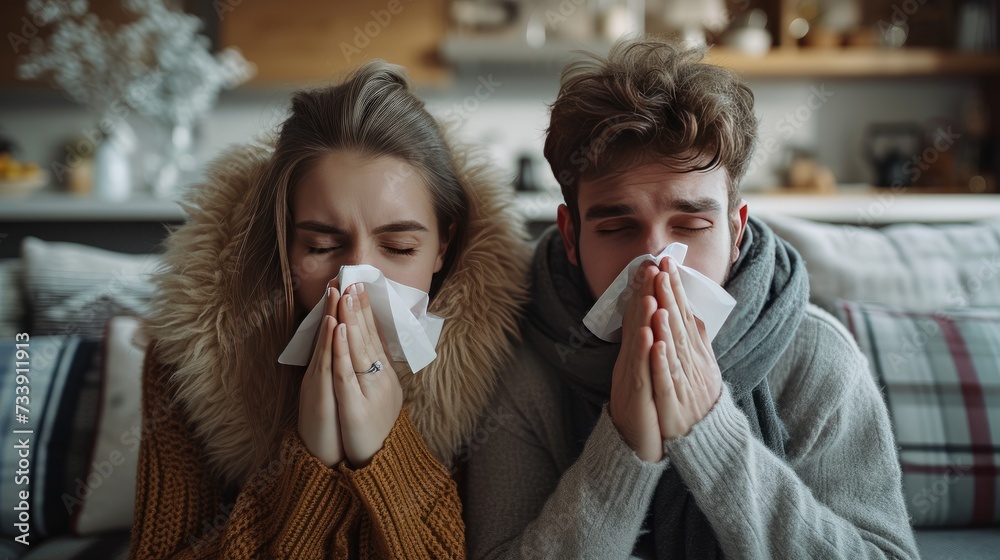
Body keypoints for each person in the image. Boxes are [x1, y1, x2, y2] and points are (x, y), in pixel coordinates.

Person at [464, 39, 920, 559]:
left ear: (735, 231)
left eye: (691, 225)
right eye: (617, 228)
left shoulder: (817, 359)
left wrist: (710, 430)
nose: (656, 262)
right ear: (571, 236)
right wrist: (624, 446)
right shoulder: (519, 366)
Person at [129, 60, 528, 559]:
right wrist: (309, 464)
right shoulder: (182, 363)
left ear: (442, 246)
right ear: (284, 244)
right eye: (321, 246)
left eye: (399, 248)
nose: (356, 280)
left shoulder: (505, 364)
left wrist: (386, 451)